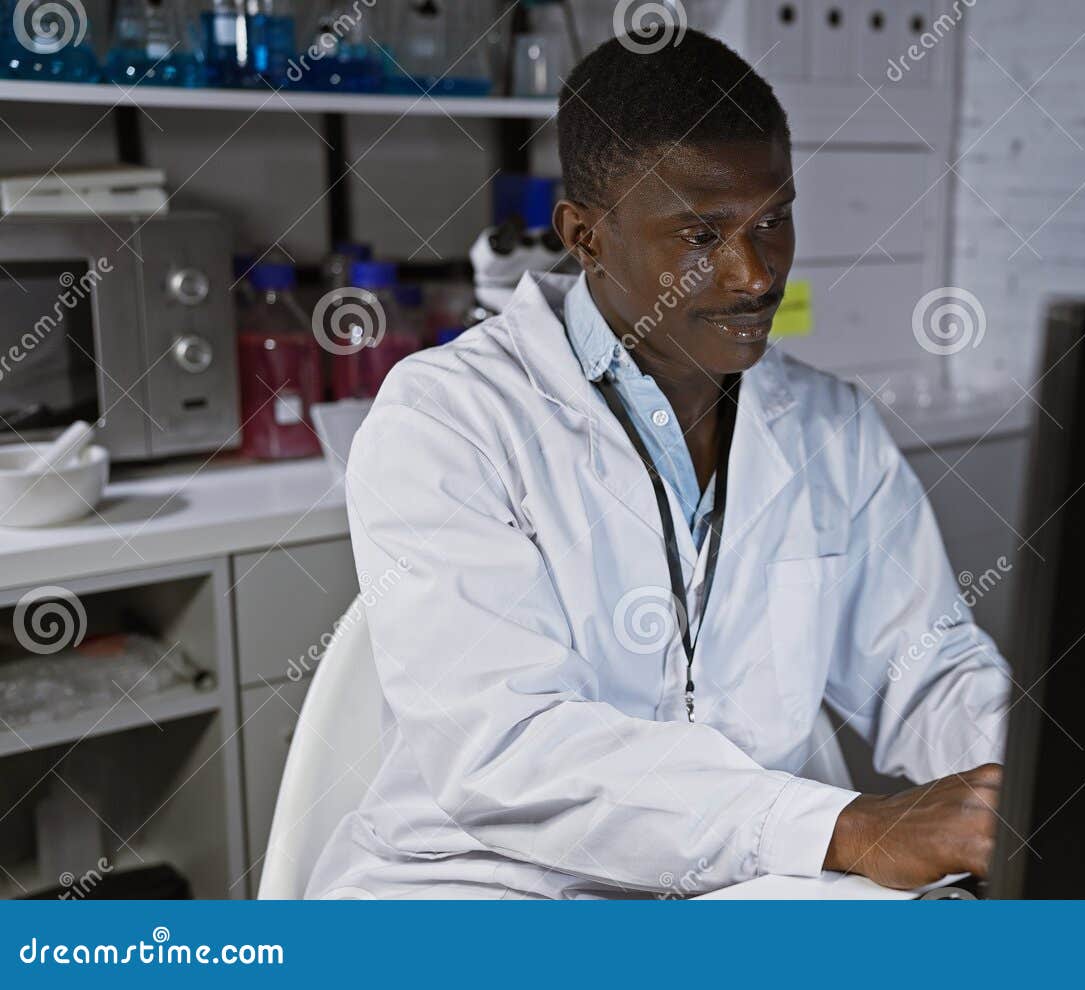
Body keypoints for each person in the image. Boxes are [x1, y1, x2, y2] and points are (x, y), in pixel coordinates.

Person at [306, 28, 1010, 899]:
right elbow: (508, 748)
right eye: (702, 234)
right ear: (586, 237)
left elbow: (928, 669)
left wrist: (1033, 785)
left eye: (774, 221)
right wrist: (847, 825)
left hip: (746, 884)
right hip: (488, 889)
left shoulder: (832, 426)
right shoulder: (448, 420)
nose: (755, 274)